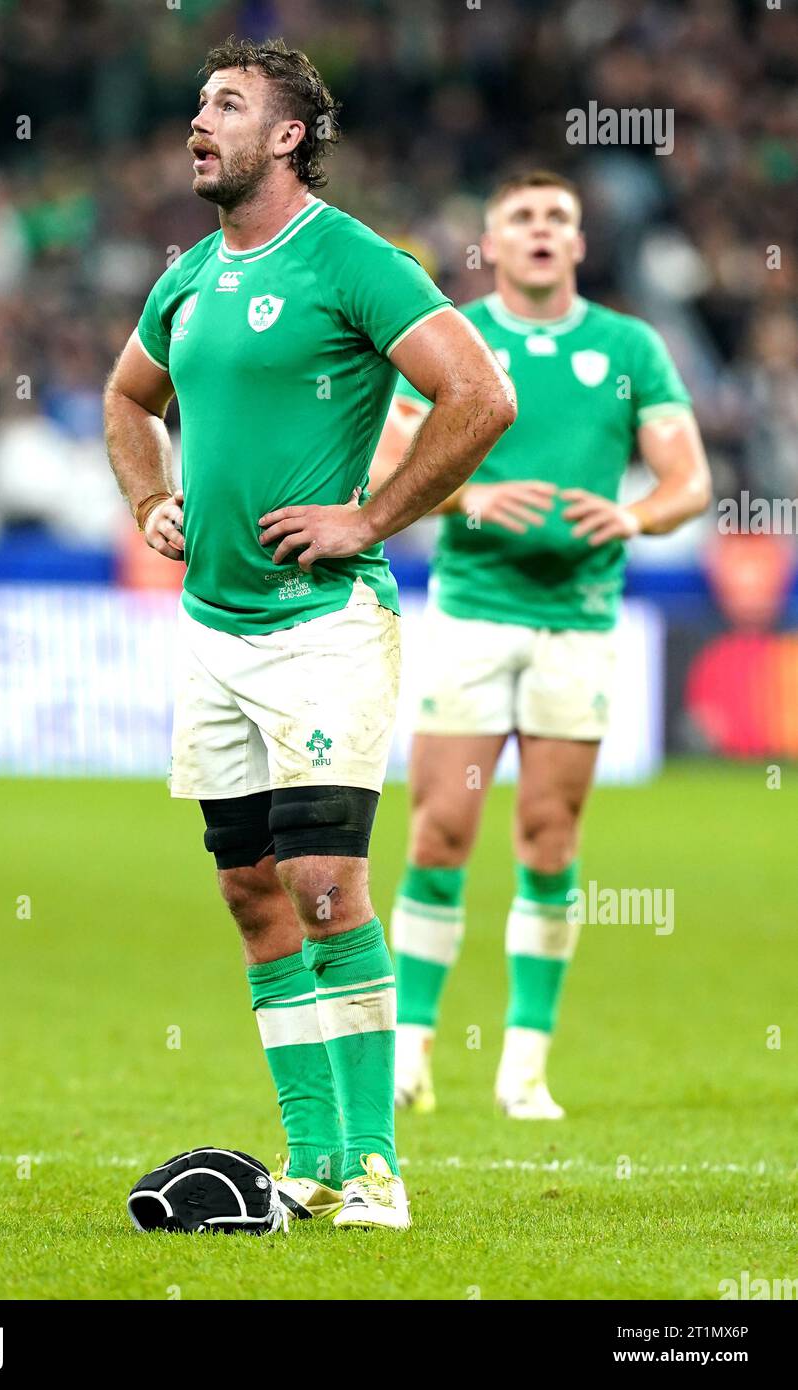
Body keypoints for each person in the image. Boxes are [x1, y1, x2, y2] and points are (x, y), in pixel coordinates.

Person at [103, 37, 515, 1228]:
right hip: (209, 632)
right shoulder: (186, 277)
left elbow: (480, 394)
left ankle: (378, 1168)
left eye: (224, 105)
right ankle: (315, 1160)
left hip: (322, 626)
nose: (197, 121)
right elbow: (129, 400)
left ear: (287, 137)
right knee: (251, 894)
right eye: (194, 103)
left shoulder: (352, 258)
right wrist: (150, 498)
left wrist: (371, 516)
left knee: (328, 883)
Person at [371, 171, 711, 1119]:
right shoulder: (453, 342)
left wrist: (635, 516)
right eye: (521, 217)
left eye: (558, 217)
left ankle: (524, 1065)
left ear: (578, 242)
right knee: (440, 831)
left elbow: (688, 481)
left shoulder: (629, 346)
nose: (541, 230)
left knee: (550, 841)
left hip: (579, 625)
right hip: (474, 616)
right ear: (491, 240)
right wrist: (470, 496)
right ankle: (412, 1051)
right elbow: (386, 471)